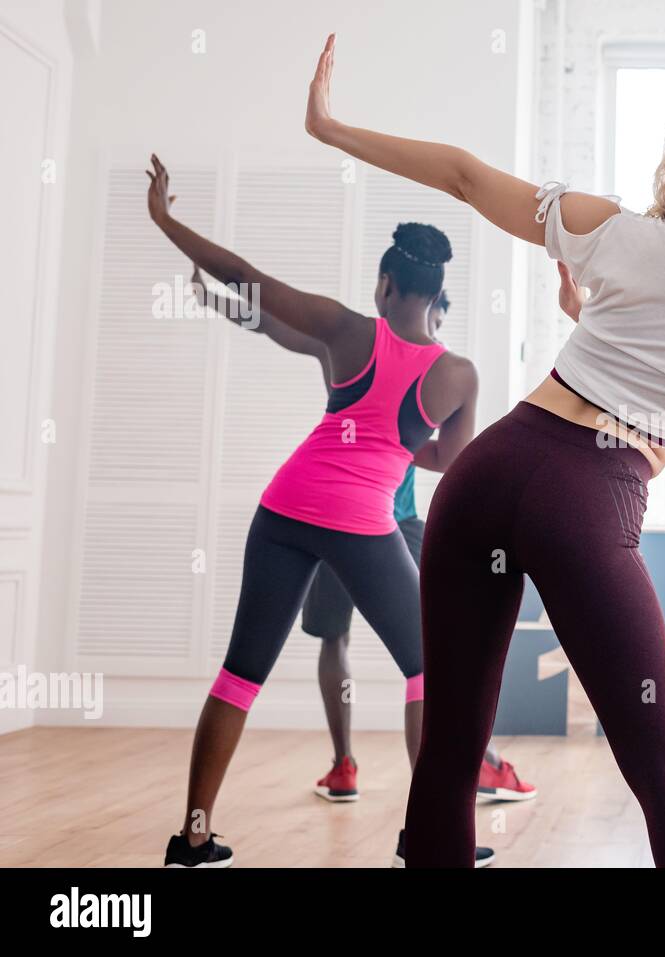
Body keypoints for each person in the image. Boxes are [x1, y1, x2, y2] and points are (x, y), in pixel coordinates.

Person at [304, 34, 665, 867]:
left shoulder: (614, 234)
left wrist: (334, 129)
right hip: (590, 502)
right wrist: (599, 321)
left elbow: (464, 176)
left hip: (491, 471)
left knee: (450, 754)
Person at [146, 159, 491, 867]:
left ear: (385, 284)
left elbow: (248, 277)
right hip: (365, 522)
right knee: (429, 671)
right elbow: (451, 461)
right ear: (437, 296)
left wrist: (165, 220)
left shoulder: (345, 328)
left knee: (240, 673)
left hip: (284, 506)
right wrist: (398, 446)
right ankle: (429, 836)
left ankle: (194, 836)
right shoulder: (456, 374)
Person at [192, 272, 535, 808]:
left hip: (395, 524)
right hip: (340, 517)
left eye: (439, 322)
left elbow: (436, 454)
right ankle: (345, 765)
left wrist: (398, 438)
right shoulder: (354, 348)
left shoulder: (435, 371)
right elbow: (275, 326)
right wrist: (217, 300)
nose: (431, 331)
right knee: (347, 640)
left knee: (432, 660)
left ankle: (477, 766)